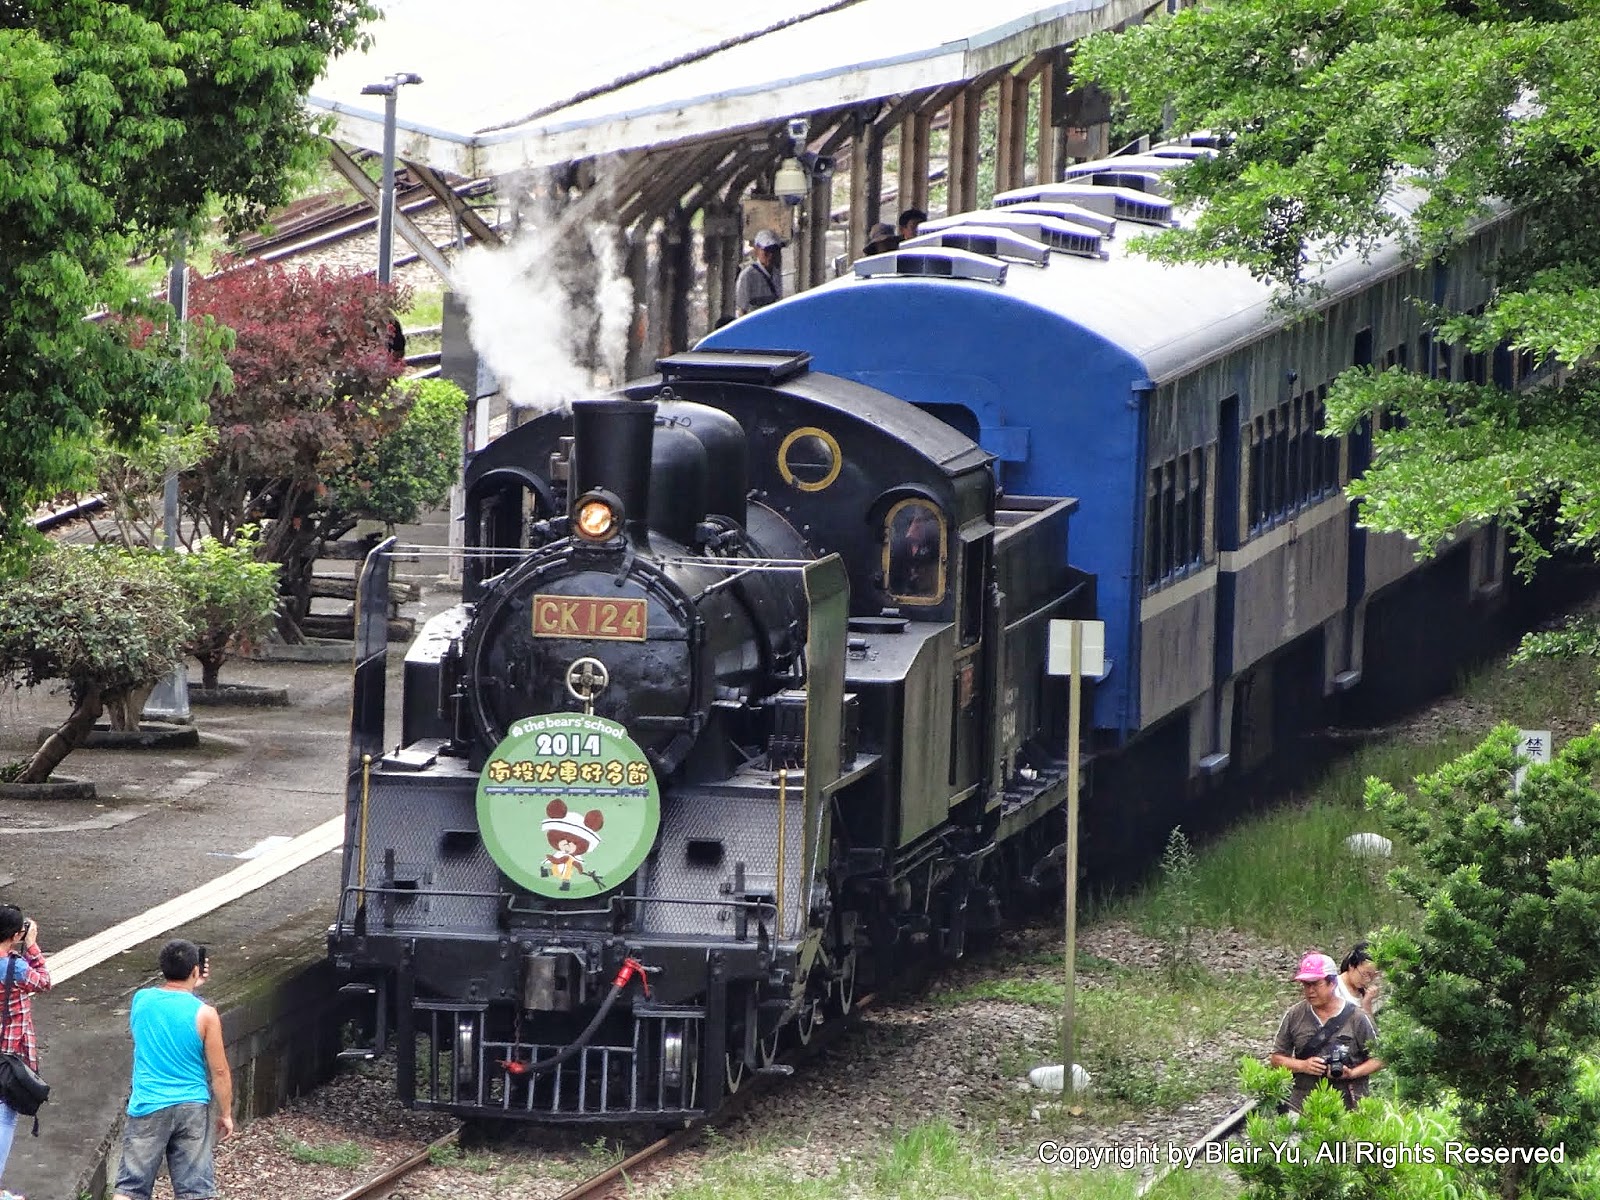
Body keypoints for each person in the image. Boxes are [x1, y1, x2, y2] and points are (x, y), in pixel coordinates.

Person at [113, 939, 233, 1200]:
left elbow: (169, 999)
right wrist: (226, 1113)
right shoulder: (206, 1014)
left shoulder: (141, 1000)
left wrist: (189, 983)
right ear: (195, 970)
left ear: (163, 968)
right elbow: (220, 1072)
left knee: (131, 1187)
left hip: (149, 1103)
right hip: (192, 1106)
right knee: (195, 1191)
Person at [1269, 951, 1381, 1112]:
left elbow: (1379, 1058)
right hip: (1303, 1105)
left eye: (1316, 984)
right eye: (1306, 985)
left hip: (1348, 1106)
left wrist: (1352, 1073)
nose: (1310, 990)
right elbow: (1276, 1058)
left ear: (1332, 983)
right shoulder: (1294, 1015)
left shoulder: (1357, 1017)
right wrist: (1303, 1065)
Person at [0, 907, 50, 1199]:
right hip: (8, 1056)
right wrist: (31, 946)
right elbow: (43, 981)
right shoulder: (14, 968)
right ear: (16, 934)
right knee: (4, 1119)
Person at [734, 229, 782, 315]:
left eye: (774, 250)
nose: (771, 255)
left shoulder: (777, 273)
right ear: (757, 250)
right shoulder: (747, 276)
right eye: (767, 251)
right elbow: (741, 310)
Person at [1336, 942, 1380, 1018]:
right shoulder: (1335, 988)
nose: (1368, 980)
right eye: (1365, 974)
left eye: (1373, 976)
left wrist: (1367, 1003)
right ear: (1351, 966)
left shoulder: (1364, 994)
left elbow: (1369, 1025)